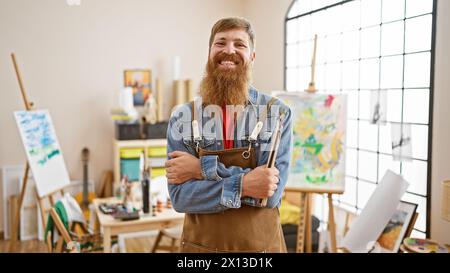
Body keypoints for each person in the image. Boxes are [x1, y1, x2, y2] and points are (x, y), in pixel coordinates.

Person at [165, 17, 292, 253]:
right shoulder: (182, 117)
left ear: (252, 56)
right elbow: (181, 198)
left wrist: (199, 169)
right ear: (210, 52)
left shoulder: (277, 113)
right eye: (220, 43)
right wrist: (245, 184)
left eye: (240, 44)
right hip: (199, 251)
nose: (229, 50)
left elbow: (269, 195)